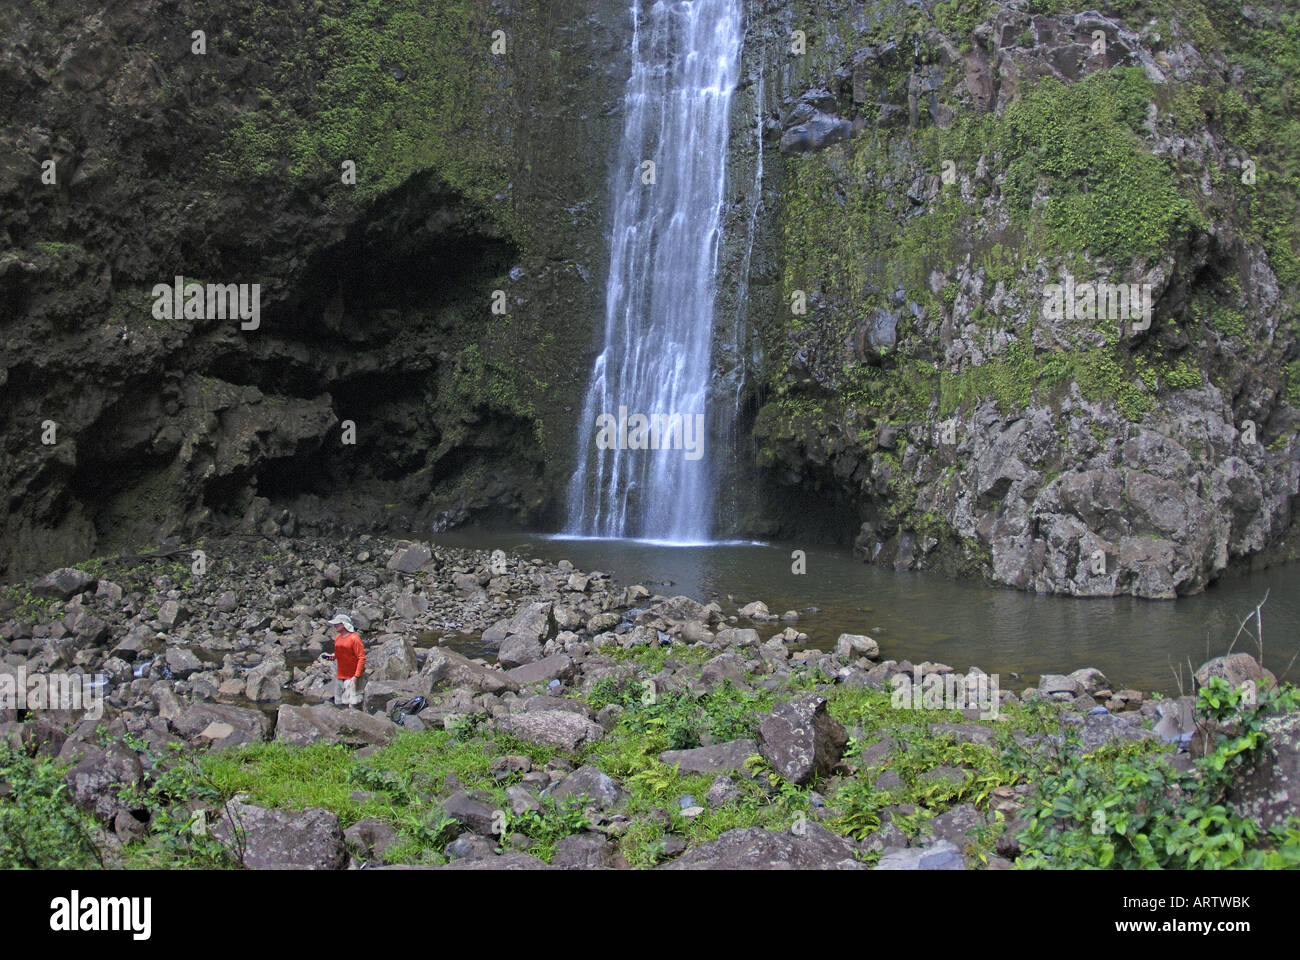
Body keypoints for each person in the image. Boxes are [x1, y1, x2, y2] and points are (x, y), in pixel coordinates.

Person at [322, 614, 365, 708]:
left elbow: (361, 658)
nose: (335, 626)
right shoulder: (338, 637)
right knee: (338, 701)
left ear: (344, 625)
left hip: (352, 677)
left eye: (337, 624)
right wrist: (332, 656)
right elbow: (338, 653)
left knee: (352, 703)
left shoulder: (354, 639)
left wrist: (356, 676)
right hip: (340, 675)